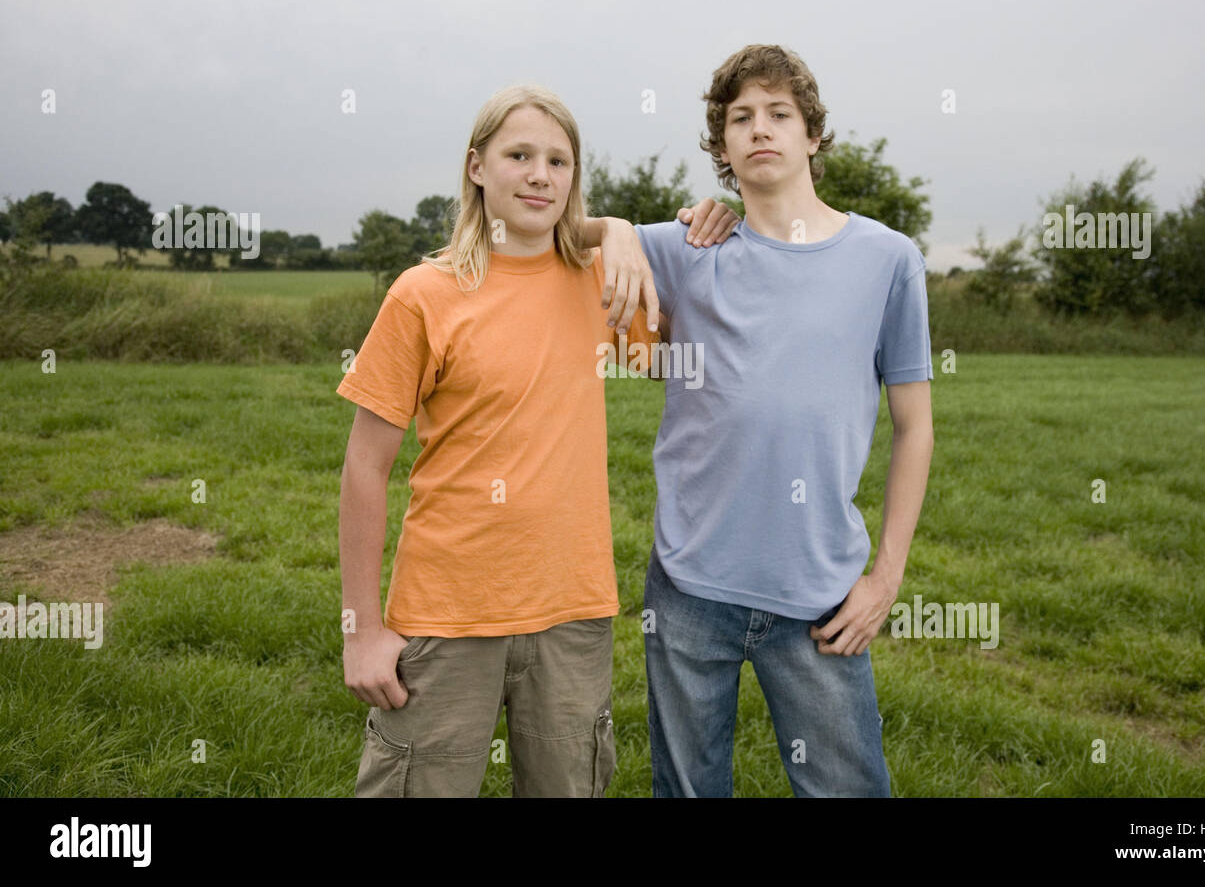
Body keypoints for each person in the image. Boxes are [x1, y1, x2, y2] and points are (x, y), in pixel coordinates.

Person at [335, 83, 734, 797]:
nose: (540, 174)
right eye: (519, 154)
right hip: (447, 613)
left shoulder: (600, 280)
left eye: (559, 160)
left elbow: (704, 340)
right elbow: (366, 466)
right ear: (477, 166)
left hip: (572, 612)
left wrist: (708, 225)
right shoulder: (423, 295)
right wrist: (361, 631)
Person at [613, 44, 936, 797]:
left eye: (779, 115)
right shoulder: (686, 248)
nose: (760, 129)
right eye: (740, 118)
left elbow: (914, 427)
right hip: (690, 586)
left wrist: (885, 580)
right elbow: (558, 231)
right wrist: (622, 230)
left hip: (819, 596)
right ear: (722, 147)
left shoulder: (887, 259)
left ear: (812, 135)